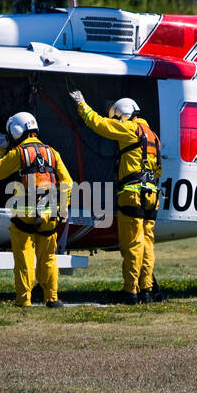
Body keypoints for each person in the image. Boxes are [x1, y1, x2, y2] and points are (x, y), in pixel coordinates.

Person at [69, 91, 163, 303]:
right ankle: (146, 291)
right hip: (152, 195)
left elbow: (101, 125)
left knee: (132, 244)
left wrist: (82, 105)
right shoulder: (152, 136)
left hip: (131, 194)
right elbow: (158, 170)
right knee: (147, 244)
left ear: (123, 115)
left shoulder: (130, 129)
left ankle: (130, 292)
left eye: (117, 119)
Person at [0, 111, 72, 307]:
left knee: (25, 258)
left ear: (17, 131)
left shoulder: (19, 153)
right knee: (49, 257)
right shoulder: (53, 152)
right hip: (49, 212)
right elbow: (67, 181)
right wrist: (62, 208)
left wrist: (0, 149)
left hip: (24, 214)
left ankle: (23, 301)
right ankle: (51, 299)